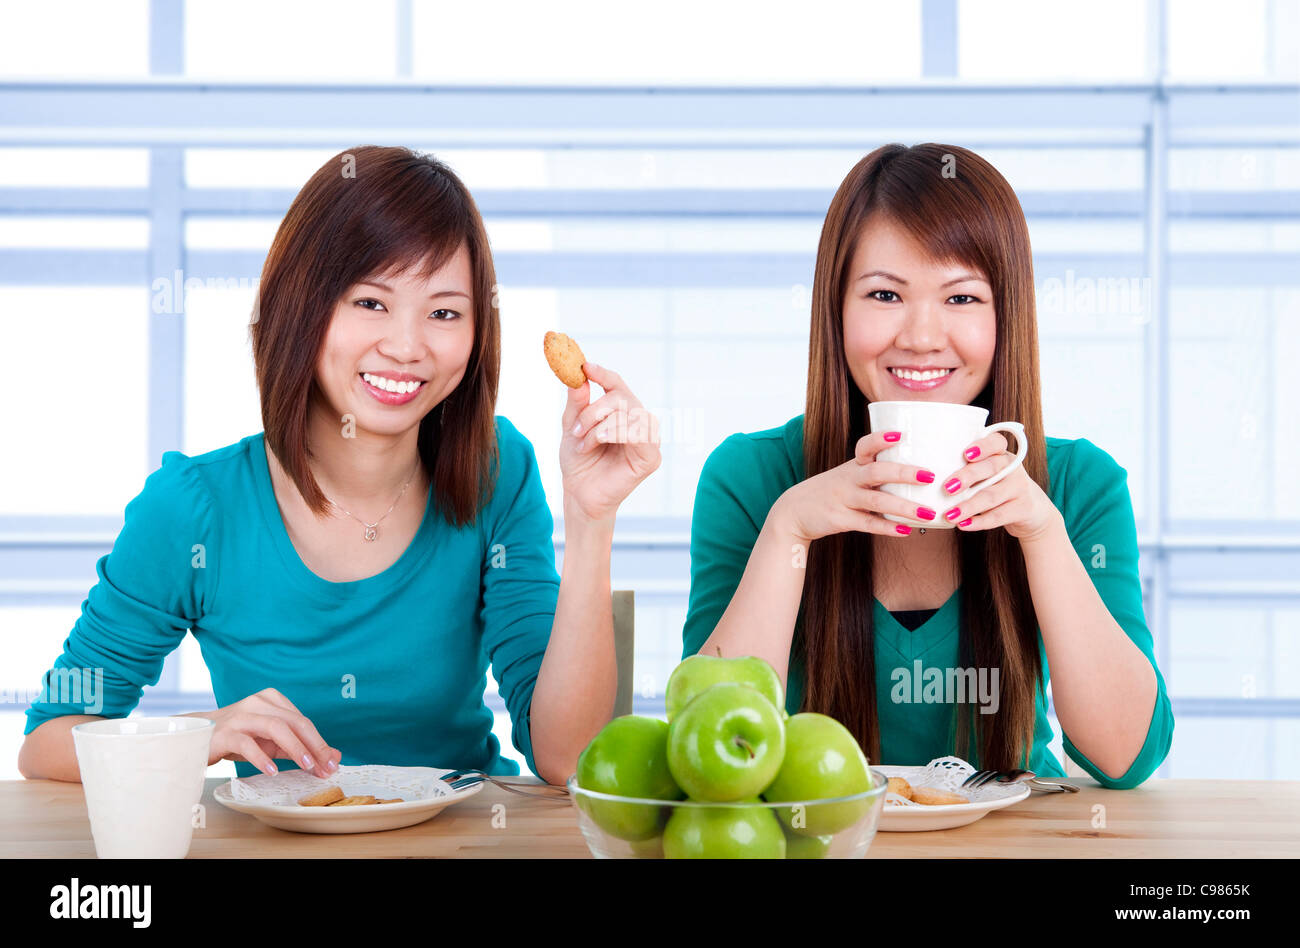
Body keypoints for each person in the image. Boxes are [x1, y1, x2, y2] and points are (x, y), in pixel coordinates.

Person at [19, 145, 660, 786]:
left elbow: (568, 759)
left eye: (443, 312)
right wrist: (198, 733)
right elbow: (48, 742)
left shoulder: (496, 471)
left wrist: (591, 516)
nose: (406, 346)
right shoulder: (193, 509)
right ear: (300, 303)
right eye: (370, 302)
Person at [683, 143, 1172, 789]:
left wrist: (1042, 535)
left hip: (1016, 839)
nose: (919, 335)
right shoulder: (752, 476)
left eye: (962, 299)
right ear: (835, 309)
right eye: (884, 294)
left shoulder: (1080, 484)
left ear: (1008, 316)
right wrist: (788, 532)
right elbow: (706, 742)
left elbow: (1124, 756)